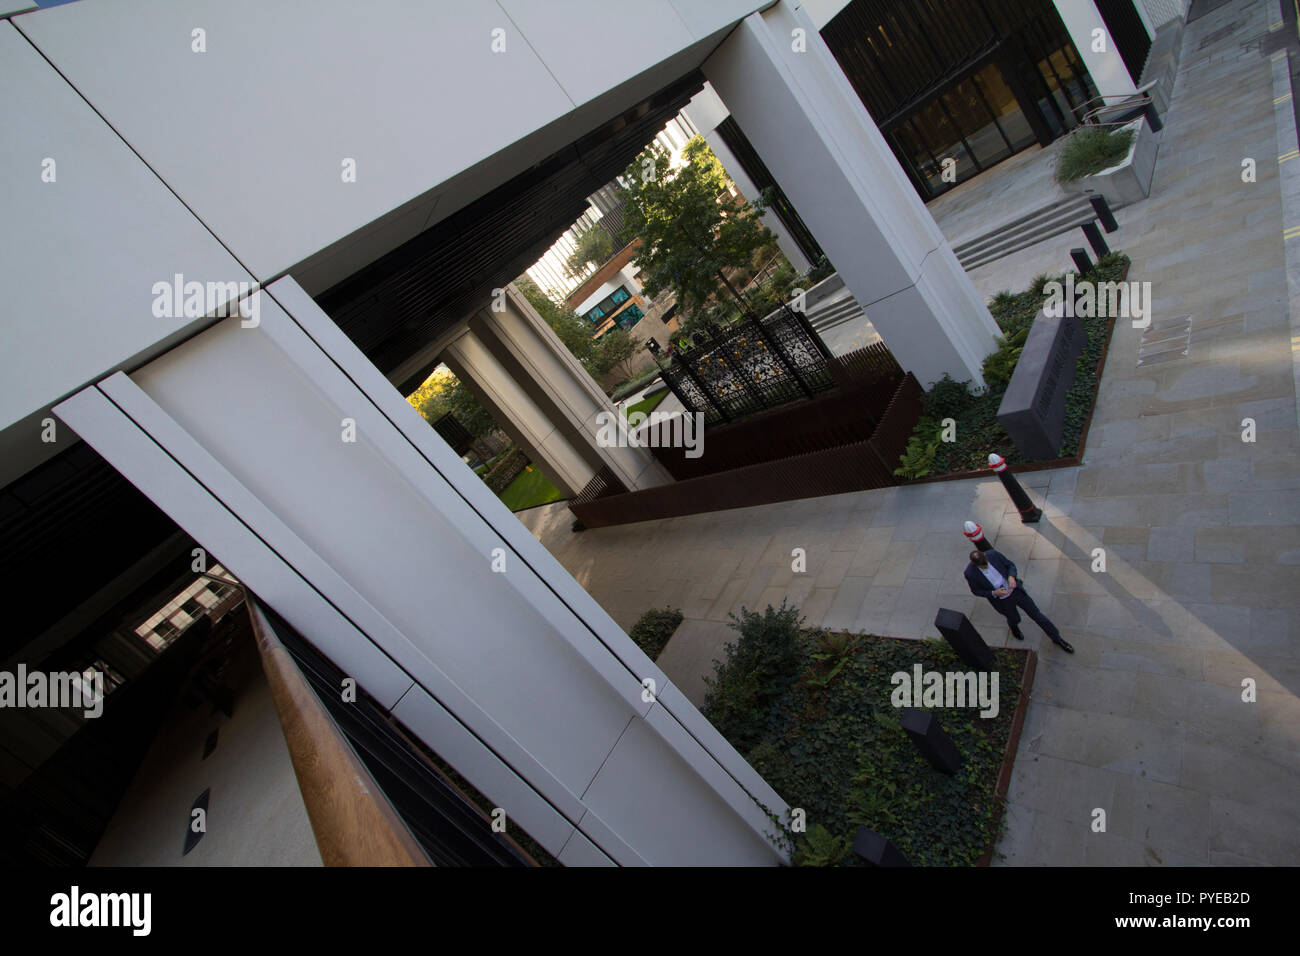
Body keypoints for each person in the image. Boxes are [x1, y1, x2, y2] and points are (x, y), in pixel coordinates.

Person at [964, 548, 1074, 653]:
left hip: (1016, 591)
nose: (986, 566)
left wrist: (1011, 577)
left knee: (1036, 615)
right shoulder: (970, 573)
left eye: (987, 563)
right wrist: (994, 593)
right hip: (1002, 601)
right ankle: (1013, 626)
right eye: (983, 567)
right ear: (975, 565)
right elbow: (976, 591)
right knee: (1014, 618)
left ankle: (1057, 638)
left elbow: (1010, 565)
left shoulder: (993, 554)